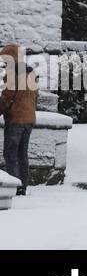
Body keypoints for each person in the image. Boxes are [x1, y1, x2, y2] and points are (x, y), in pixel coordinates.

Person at [0, 43, 38, 195]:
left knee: (10, 154)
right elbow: (36, 97)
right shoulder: (31, 73)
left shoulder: (13, 74)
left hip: (16, 120)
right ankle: (23, 185)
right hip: (29, 120)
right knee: (22, 154)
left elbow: (6, 99)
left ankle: (13, 187)